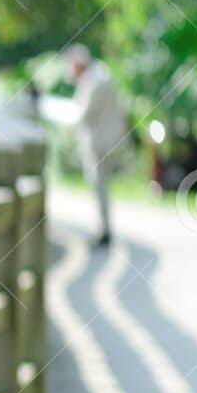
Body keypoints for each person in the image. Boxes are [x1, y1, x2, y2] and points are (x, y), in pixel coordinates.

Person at [62, 44, 128, 247]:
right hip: (109, 140)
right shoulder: (100, 74)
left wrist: (66, 123)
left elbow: (85, 113)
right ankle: (104, 229)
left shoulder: (94, 80)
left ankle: (104, 232)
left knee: (99, 187)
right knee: (101, 187)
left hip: (101, 143)